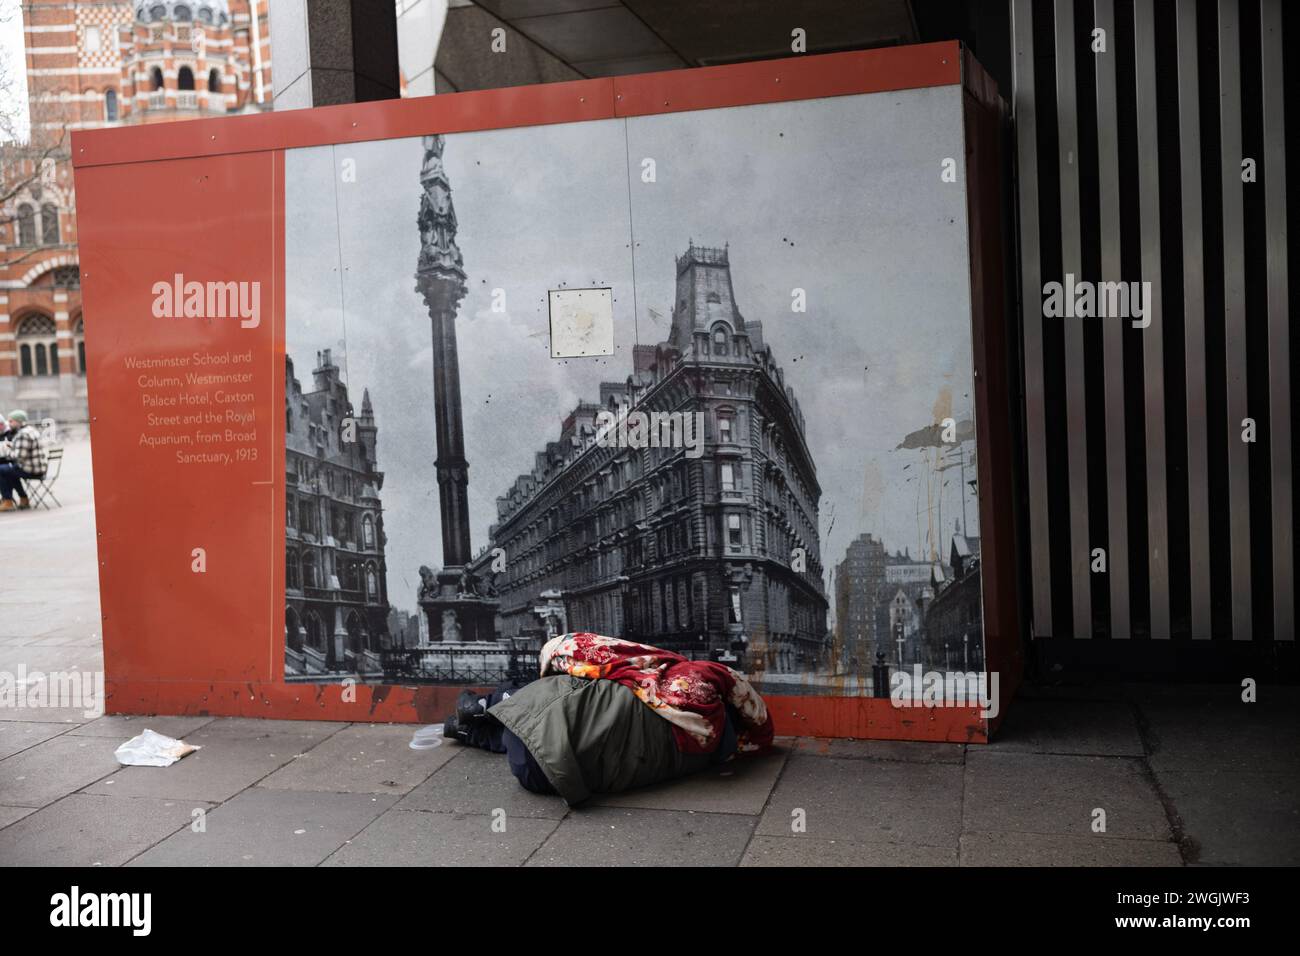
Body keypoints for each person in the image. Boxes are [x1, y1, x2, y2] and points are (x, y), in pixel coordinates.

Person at [441, 632, 772, 805]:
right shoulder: (707, 756)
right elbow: (759, 728)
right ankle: (475, 734)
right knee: (550, 730)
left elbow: (571, 647)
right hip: (543, 779)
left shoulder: (698, 676)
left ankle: (488, 703)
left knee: (552, 694)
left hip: (539, 730)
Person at [0, 410, 48, 512]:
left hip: (31, 469)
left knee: (2, 470)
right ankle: (22, 498)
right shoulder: (31, 430)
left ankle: (8, 501)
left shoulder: (23, 434)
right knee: (8, 471)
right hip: (38, 468)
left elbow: (19, 456)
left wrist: (7, 451)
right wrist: (13, 447)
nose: (9, 423)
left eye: (11, 421)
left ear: (19, 421)